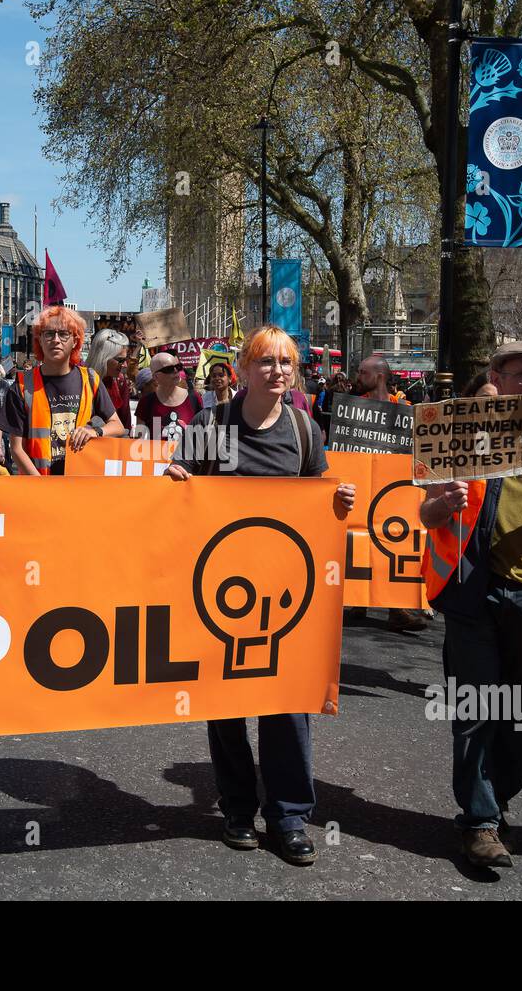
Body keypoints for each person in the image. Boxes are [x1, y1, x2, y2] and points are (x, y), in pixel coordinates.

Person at [165, 326, 356, 866]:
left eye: (286, 363)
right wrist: (175, 476)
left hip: (284, 590)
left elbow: (320, 496)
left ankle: (290, 817)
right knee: (224, 704)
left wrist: (336, 496)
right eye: (266, 361)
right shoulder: (211, 424)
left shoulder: (301, 428)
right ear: (245, 369)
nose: (277, 371)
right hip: (219, 589)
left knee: (288, 705)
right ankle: (237, 808)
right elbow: (177, 494)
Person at [419, 340, 522, 869]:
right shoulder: (459, 428)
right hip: (473, 591)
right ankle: (480, 822)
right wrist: (444, 502)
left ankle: (498, 802)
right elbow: (425, 516)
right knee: (475, 710)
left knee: (517, 715)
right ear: (496, 374)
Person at [351, 353, 427, 632]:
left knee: (394, 542)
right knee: (357, 537)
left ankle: (396, 608)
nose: (357, 377)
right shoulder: (352, 409)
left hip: (393, 490)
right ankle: (357, 599)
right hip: (361, 484)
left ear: (379, 377)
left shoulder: (404, 408)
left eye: (362, 372)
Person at [1, 304, 125, 475]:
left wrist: (95, 431)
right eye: (49, 333)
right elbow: (16, 449)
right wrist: (42, 488)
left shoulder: (90, 379)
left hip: (79, 485)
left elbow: (117, 426)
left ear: (75, 340)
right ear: (40, 340)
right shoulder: (22, 385)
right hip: (38, 489)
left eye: (64, 334)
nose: (56, 340)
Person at [136, 351, 203, 442]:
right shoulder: (146, 402)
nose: (175, 371)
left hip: (187, 455)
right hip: (157, 455)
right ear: (156, 377)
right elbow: (138, 440)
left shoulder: (194, 397)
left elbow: (203, 434)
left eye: (178, 367)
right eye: (169, 369)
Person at [85, 328, 133, 433]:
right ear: (103, 357)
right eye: (120, 360)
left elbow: (125, 423)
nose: (124, 365)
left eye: (125, 359)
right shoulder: (81, 379)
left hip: (113, 444)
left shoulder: (120, 382)